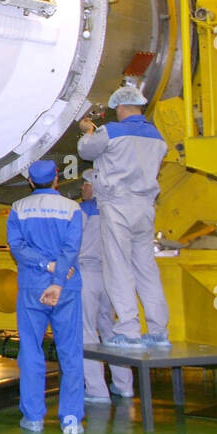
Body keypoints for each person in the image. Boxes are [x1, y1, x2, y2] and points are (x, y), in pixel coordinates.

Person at [77, 84, 170, 348]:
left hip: (117, 206)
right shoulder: (156, 136)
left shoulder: (112, 132)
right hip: (145, 207)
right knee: (146, 269)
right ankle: (158, 331)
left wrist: (88, 131)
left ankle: (128, 330)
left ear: (121, 107)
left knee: (118, 267)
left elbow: (86, 151)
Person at [7, 159, 85, 434]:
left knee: (30, 350)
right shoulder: (72, 209)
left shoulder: (18, 209)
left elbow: (17, 247)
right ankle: (72, 419)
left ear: (30, 181)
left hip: (31, 288)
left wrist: (44, 266)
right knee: (71, 353)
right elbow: (71, 248)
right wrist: (58, 277)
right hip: (66, 288)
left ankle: (33, 418)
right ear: (56, 179)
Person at [77, 170, 134, 402]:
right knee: (110, 331)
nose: (82, 188)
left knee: (87, 331)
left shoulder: (83, 210)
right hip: (112, 277)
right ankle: (124, 385)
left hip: (87, 274)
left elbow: (71, 242)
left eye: (86, 184)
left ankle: (96, 390)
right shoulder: (121, 211)